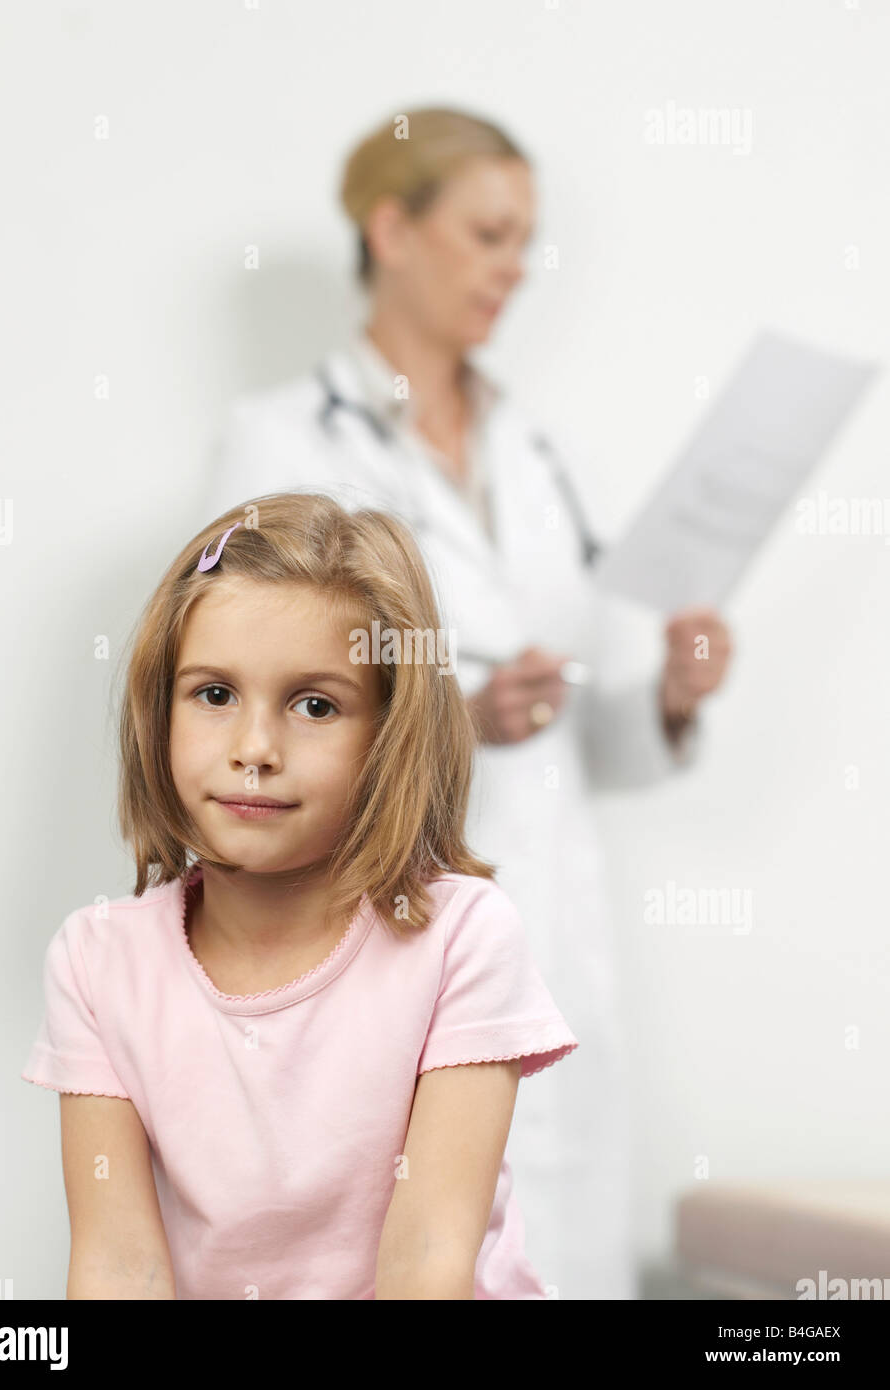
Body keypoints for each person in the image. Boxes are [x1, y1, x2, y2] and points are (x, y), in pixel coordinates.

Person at [204, 107, 733, 1298]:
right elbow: (250, 712)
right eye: (490, 233)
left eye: (527, 239)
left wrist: (670, 700)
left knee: (564, 1253)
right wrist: (446, 711)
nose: (515, 267)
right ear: (391, 229)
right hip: (382, 932)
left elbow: (582, 735)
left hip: (550, 934)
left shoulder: (536, 454)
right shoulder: (278, 438)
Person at [19, 492, 581, 1300]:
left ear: (391, 733)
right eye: (214, 695)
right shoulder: (96, 960)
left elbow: (425, 1262)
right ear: (159, 710)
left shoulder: (461, 938)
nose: (254, 749)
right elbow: (118, 1268)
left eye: (314, 705)